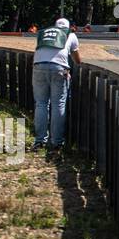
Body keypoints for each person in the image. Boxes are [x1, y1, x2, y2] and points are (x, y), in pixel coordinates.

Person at [32, 17, 80, 152]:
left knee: (41, 104)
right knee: (58, 104)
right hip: (59, 69)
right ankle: (56, 142)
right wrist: (73, 67)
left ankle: (40, 140)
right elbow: (76, 58)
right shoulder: (71, 34)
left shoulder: (43, 33)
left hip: (38, 67)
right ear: (68, 27)